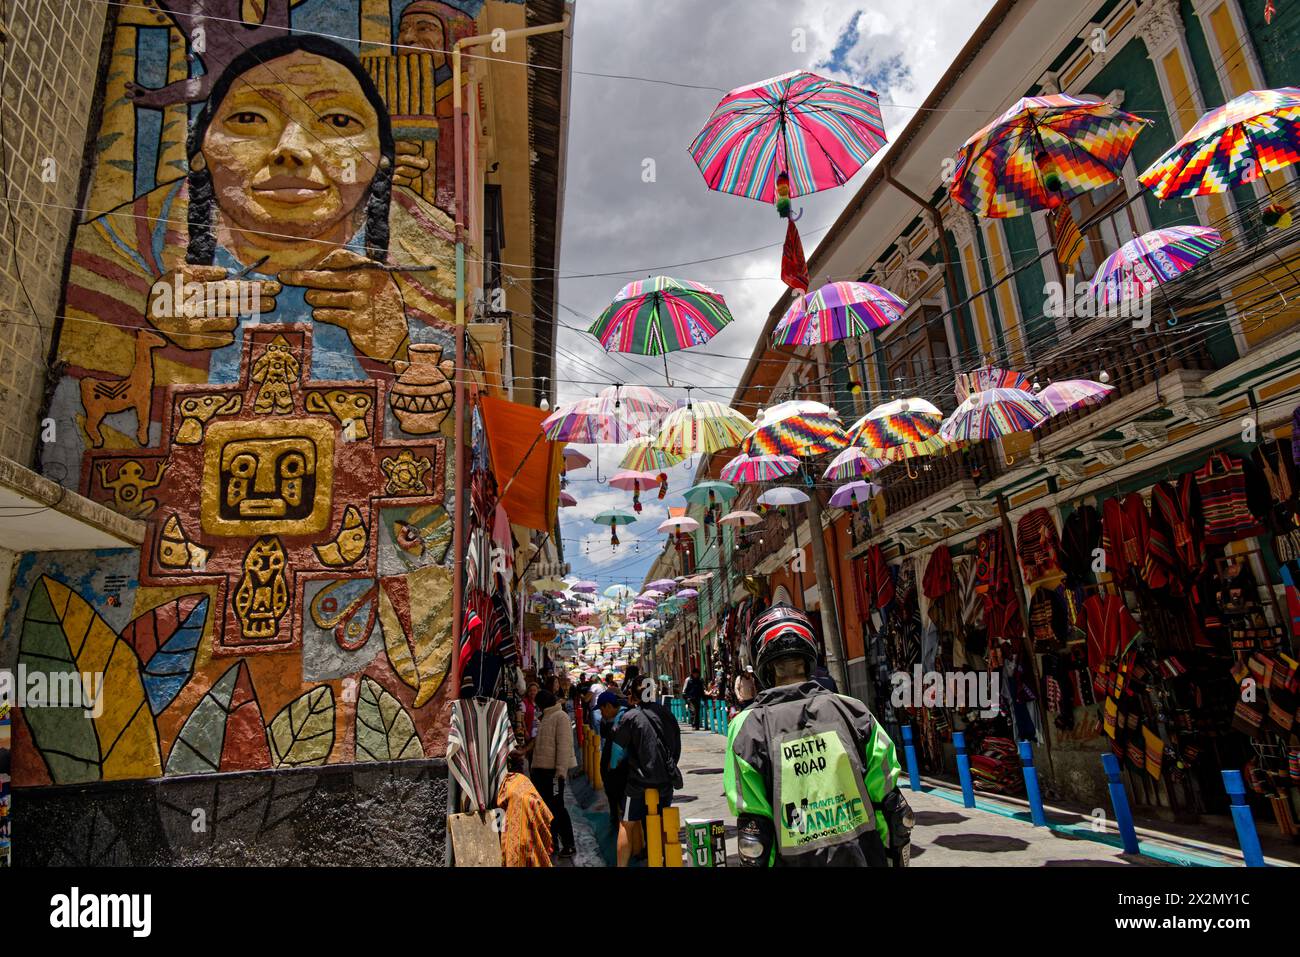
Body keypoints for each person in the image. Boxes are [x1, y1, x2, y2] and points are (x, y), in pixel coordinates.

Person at [724, 604, 913, 867]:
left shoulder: (746, 726)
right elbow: (889, 804)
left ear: (762, 662)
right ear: (810, 653)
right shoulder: (853, 710)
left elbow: (755, 826)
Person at [610, 682, 682, 867]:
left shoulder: (631, 716)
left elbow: (617, 751)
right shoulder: (667, 713)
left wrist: (613, 768)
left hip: (638, 782)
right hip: (666, 779)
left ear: (634, 695)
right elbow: (677, 745)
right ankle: (668, 861)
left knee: (627, 823)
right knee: (664, 822)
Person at [530, 690, 577, 859]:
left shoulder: (560, 717)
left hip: (554, 774)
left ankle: (569, 844)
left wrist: (560, 772)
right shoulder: (547, 717)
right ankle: (553, 843)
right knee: (548, 809)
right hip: (542, 772)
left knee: (558, 808)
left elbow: (564, 747)